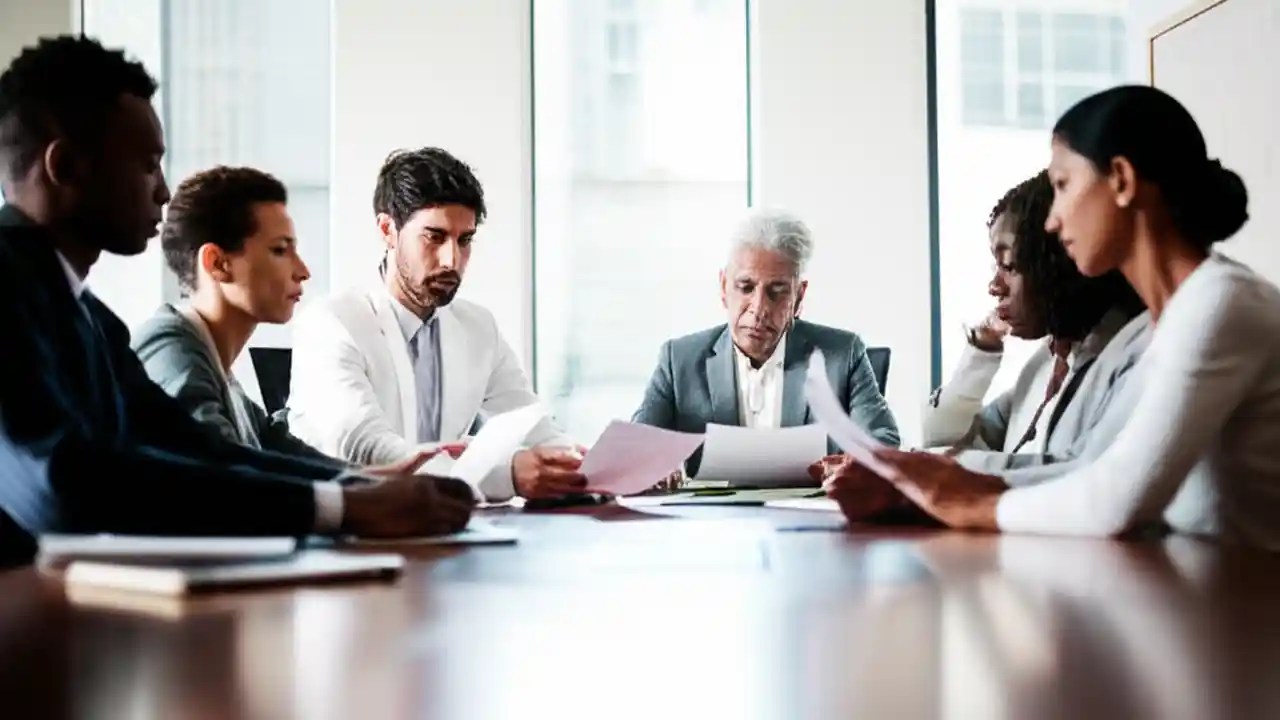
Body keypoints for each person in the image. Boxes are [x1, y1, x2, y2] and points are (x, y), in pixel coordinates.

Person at [0, 36, 472, 566]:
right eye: (146, 164)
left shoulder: (87, 315)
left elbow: (196, 446)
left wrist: (352, 484)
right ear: (64, 166)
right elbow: (60, 481)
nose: (161, 191)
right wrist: (341, 505)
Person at [833, 85, 1280, 549]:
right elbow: (1090, 467)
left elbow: (1114, 498)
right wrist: (920, 482)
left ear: (1121, 181)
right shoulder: (1172, 320)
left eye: (1064, 186)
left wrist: (962, 499)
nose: (1052, 220)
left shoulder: (1221, 302)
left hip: (1245, 602)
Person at [287, 147, 583, 501]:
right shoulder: (331, 322)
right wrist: (506, 476)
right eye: (435, 237)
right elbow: (366, 448)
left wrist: (582, 465)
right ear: (388, 230)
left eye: (465, 240)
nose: (452, 260)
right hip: (350, 533)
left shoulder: (477, 327)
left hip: (443, 529)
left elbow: (532, 425)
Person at [131, 166, 465, 464]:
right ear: (218, 263)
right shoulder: (169, 347)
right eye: (279, 250)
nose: (303, 271)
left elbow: (286, 452)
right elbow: (224, 476)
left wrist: (378, 481)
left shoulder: (226, 381)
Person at [632, 208, 899, 478]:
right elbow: (636, 446)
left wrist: (853, 463)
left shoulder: (843, 355)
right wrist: (655, 465)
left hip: (811, 516)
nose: (759, 308)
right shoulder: (678, 360)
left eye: (777, 292)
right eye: (746, 287)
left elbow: (883, 441)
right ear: (724, 287)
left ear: (798, 296)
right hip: (711, 518)